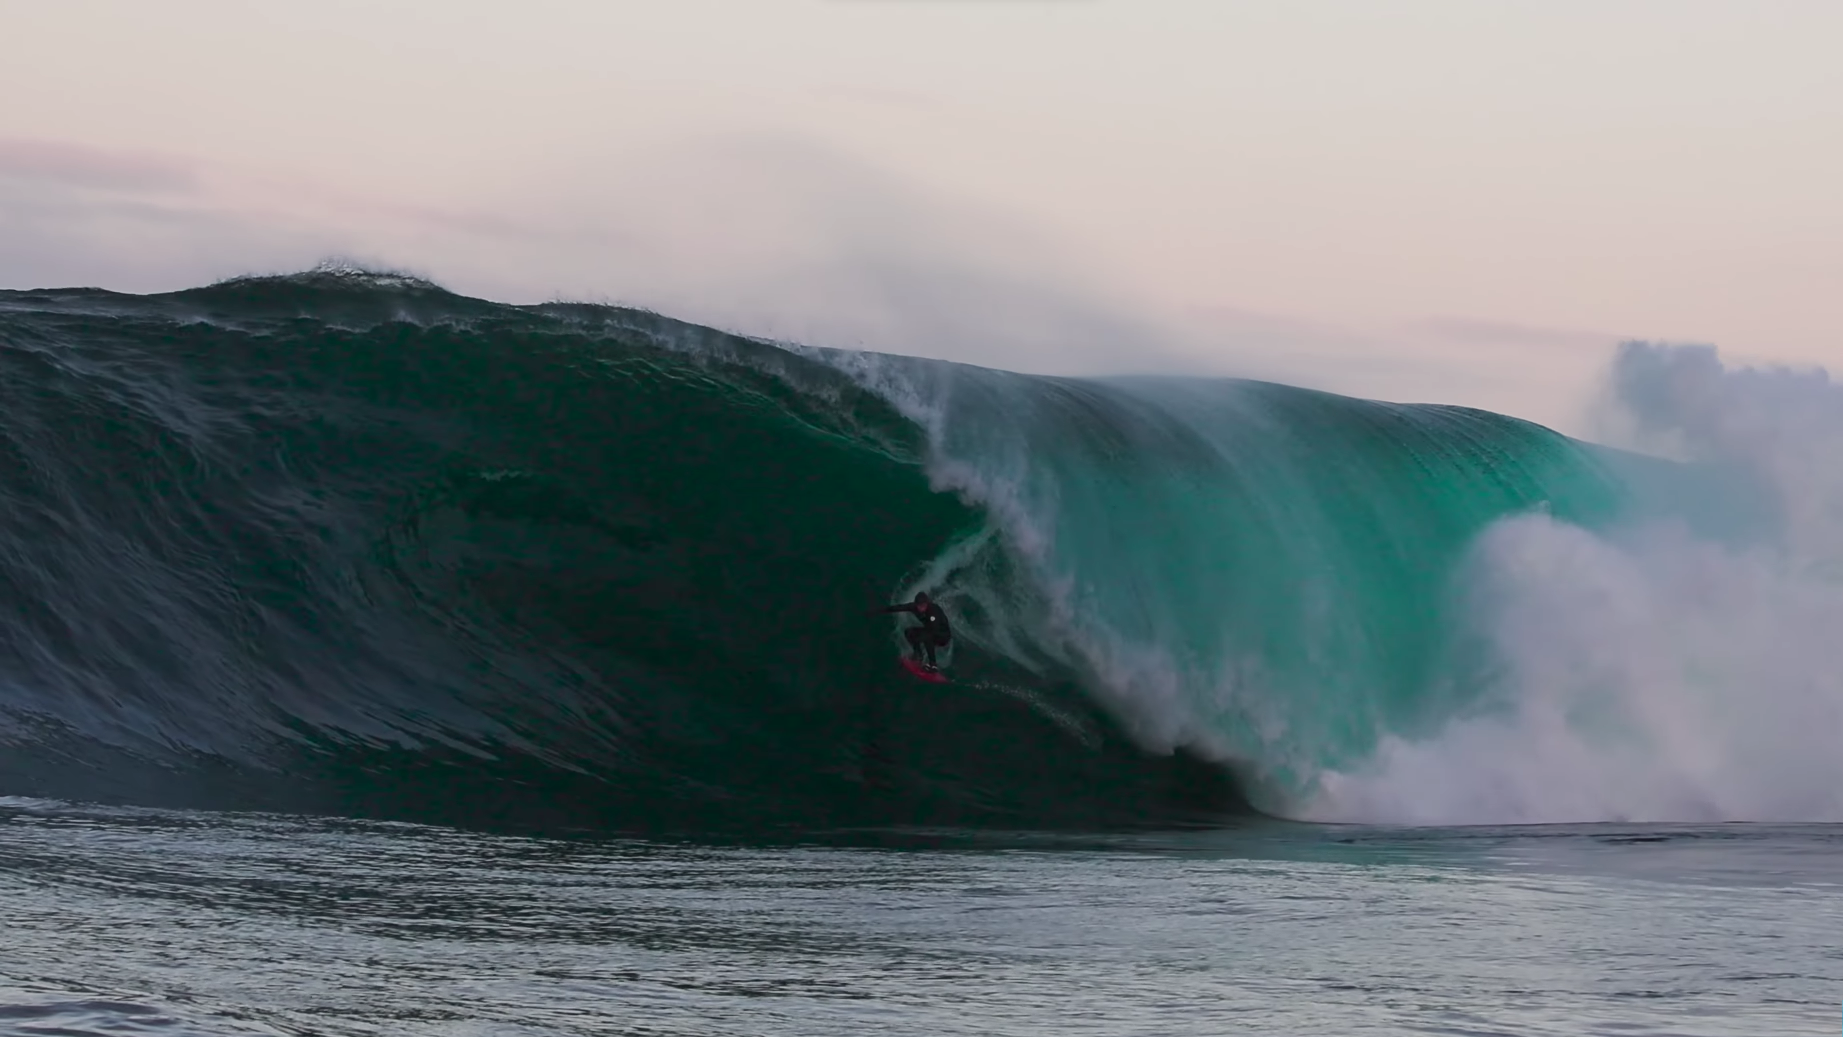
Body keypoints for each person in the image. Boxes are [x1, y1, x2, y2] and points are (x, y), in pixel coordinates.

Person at [878, 591, 952, 672]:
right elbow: (899, 607)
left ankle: (933, 665)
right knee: (909, 632)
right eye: (919, 606)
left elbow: (934, 630)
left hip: (943, 636)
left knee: (927, 637)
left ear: (927, 604)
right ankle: (918, 655)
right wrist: (880, 611)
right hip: (930, 631)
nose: (921, 608)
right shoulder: (914, 607)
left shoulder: (934, 611)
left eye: (923, 606)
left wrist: (920, 638)